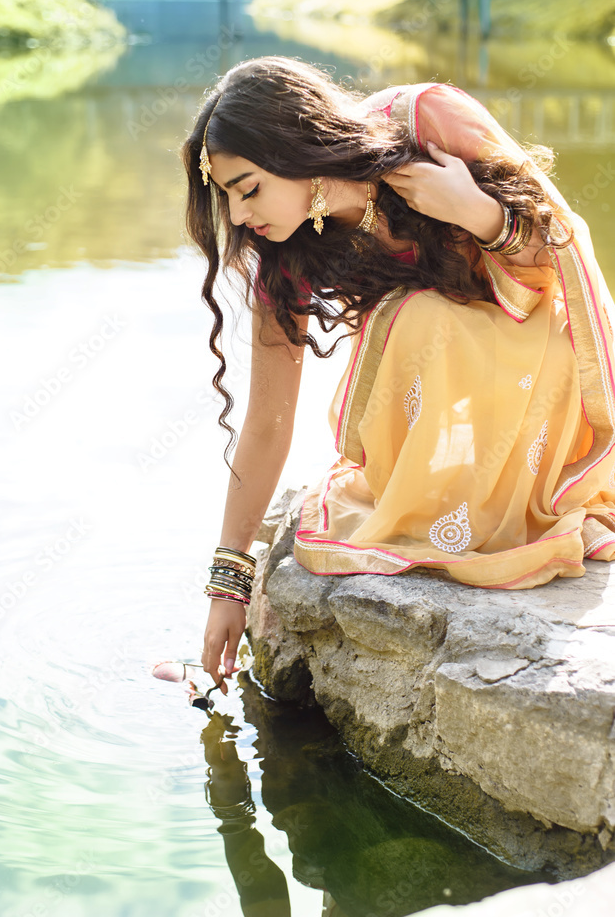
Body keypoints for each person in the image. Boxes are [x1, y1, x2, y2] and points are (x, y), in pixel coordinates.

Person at [180, 55, 615, 696]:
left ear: (297, 149)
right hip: (458, 405)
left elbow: (563, 255)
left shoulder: (426, 121)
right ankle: (442, 505)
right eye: (226, 198)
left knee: (419, 318)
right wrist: (229, 582)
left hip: (539, 365)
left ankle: (504, 507)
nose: (240, 216)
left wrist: (476, 212)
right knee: (411, 322)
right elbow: (268, 422)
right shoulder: (283, 252)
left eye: (248, 189)